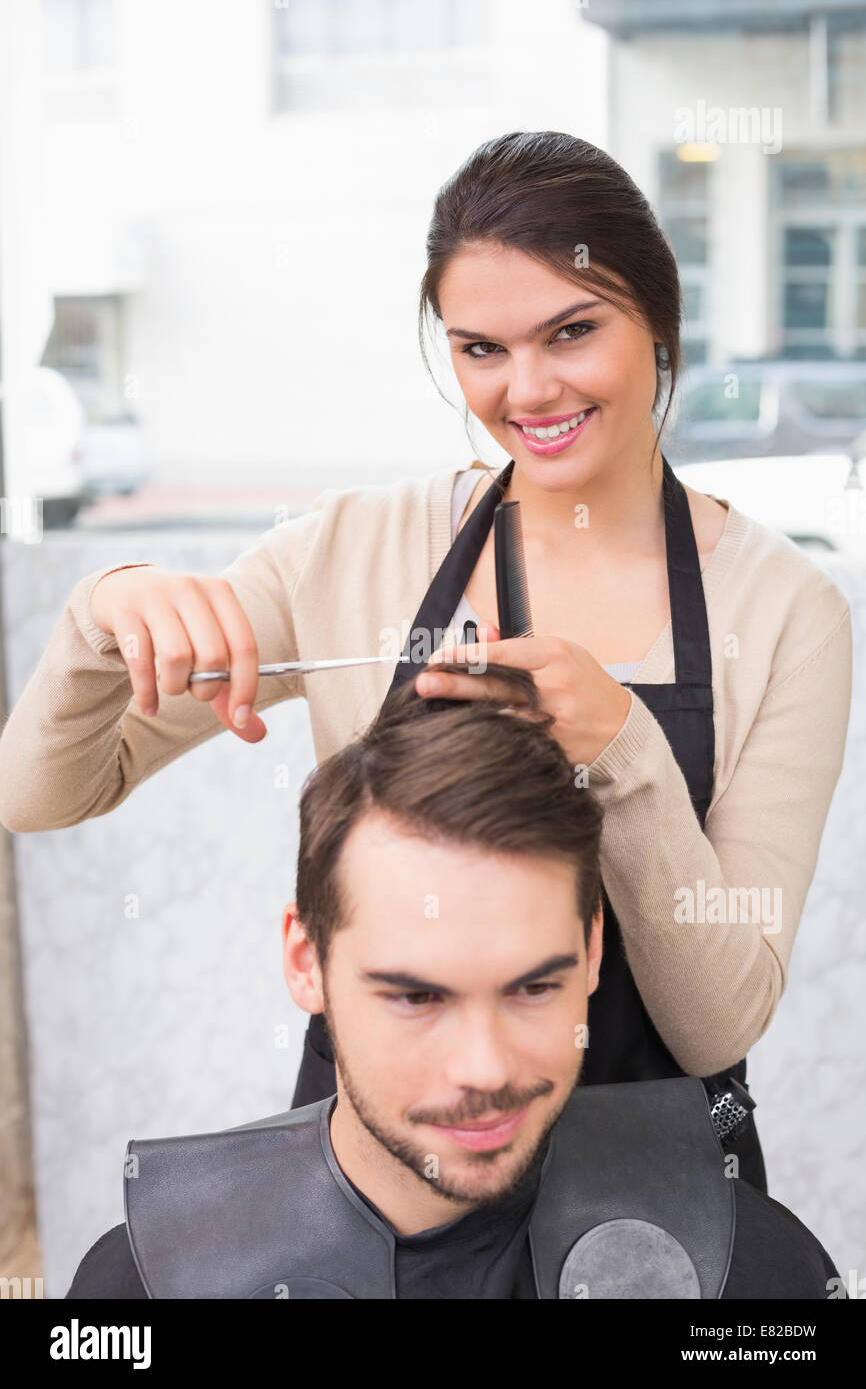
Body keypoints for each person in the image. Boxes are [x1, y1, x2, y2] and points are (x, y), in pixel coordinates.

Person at [0, 133, 852, 1193]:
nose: (527, 390)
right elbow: (39, 793)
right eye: (479, 349)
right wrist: (104, 610)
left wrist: (625, 754)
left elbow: (716, 1018)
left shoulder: (783, 613)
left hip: (641, 1207)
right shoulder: (346, 552)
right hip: (378, 1186)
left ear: (659, 320)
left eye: (570, 332)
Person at [65, 668, 842, 1300]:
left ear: (594, 950)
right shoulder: (144, 1286)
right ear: (307, 963)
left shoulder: (753, 1273)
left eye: (533, 989)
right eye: (416, 997)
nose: (486, 1069)